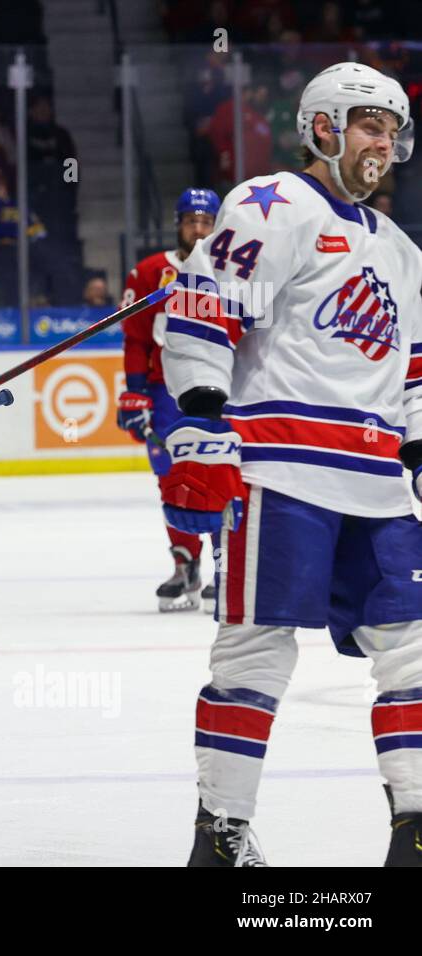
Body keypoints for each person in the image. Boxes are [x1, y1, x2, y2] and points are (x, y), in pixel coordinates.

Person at [161, 62, 422, 866]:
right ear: (322, 127)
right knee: (255, 650)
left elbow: (412, 375)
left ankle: (415, 827)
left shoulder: (404, 251)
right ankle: (222, 831)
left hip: (379, 484)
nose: (383, 141)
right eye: (368, 124)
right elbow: (205, 313)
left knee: (411, 647)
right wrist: (201, 416)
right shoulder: (275, 203)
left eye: (391, 128)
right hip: (282, 473)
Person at [117, 187, 220, 613]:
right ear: (177, 223)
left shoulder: (235, 271)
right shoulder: (149, 272)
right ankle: (185, 563)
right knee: (172, 477)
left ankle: (227, 564)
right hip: (164, 395)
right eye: (190, 221)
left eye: (205, 222)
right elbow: (136, 338)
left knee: (222, 476)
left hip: (219, 391)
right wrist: (136, 392)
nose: (197, 230)